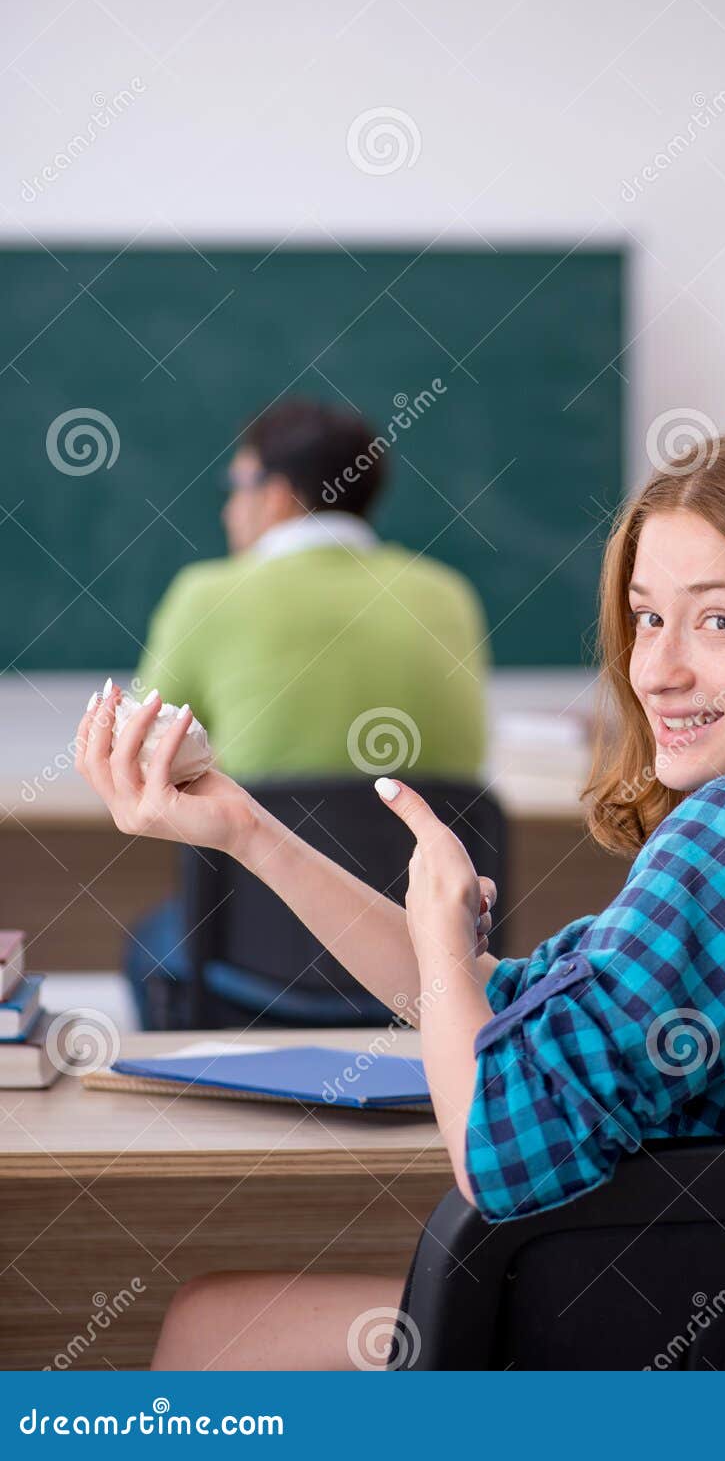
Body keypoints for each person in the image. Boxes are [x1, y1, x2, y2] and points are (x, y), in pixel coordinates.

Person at [75, 419, 725, 1370]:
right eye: (647, 618)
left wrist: (444, 948)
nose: (656, 670)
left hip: (655, 1365)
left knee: (209, 1322)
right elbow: (491, 1006)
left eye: (718, 620)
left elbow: (500, 1151)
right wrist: (248, 830)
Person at [123, 396, 490, 1025]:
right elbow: (471, 757)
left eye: (236, 486)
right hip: (427, 957)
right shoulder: (448, 595)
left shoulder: (205, 595)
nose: (227, 508)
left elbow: (142, 751)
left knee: (146, 946)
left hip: (256, 949)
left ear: (276, 496)